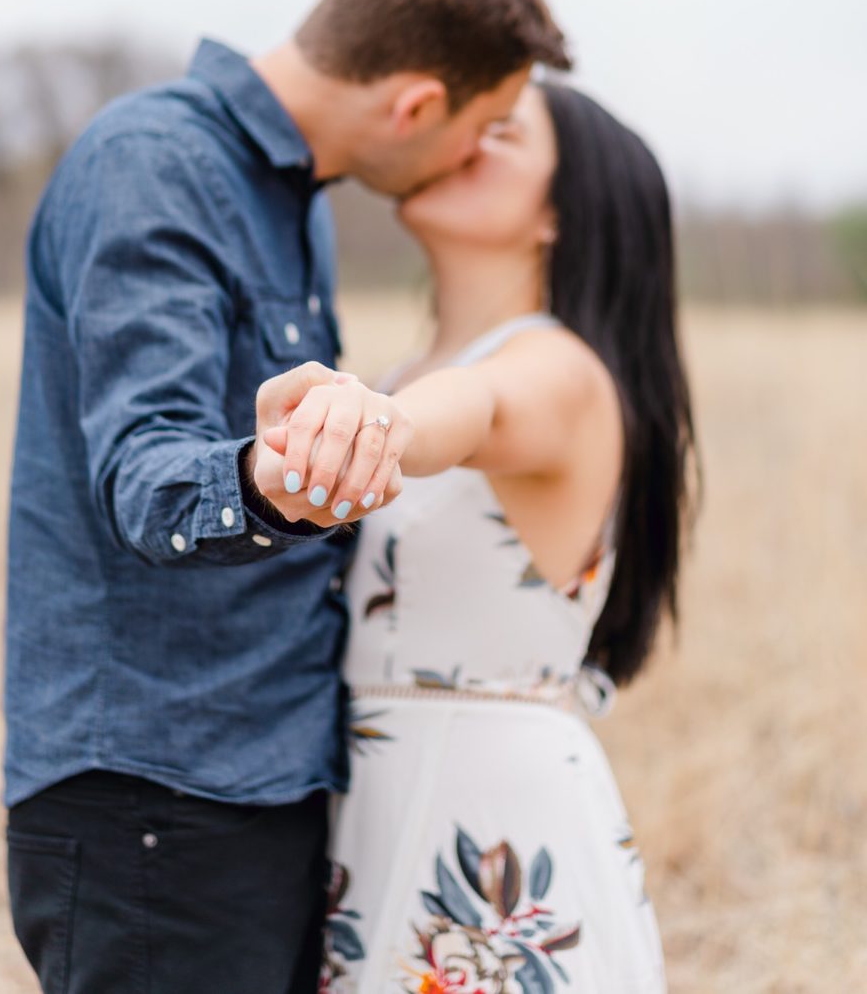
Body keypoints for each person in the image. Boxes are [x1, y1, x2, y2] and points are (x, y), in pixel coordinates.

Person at [3, 0, 571, 992]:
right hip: (157, 800)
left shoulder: (290, 203)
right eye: (479, 126)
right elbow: (145, 474)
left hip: (254, 787)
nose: (467, 156)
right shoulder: (155, 168)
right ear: (413, 104)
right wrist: (280, 478)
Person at [293, 81, 690, 992]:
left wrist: (375, 422)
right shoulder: (402, 370)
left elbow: (472, 412)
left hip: (489, 831)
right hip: (374, 813)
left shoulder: (560, 371)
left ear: (560, 212)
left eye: (500, 133)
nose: (460, 139)